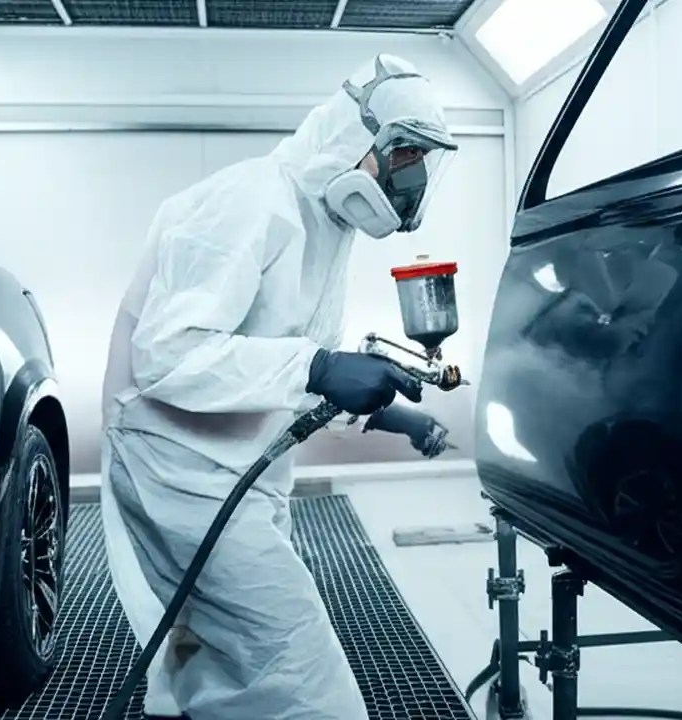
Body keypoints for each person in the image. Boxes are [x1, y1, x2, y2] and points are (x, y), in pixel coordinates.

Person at [99, 53, 458, 720]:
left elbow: (273, 362)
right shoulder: (251, 200)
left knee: (219, 654)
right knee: (297, 678)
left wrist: (382, 413)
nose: (410, 177)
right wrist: (320, 368)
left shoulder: (325, 225)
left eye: (420, 161)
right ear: (354, 135)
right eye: (402, 153)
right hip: (182, 470)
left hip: (234, 470)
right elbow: (170, 352)